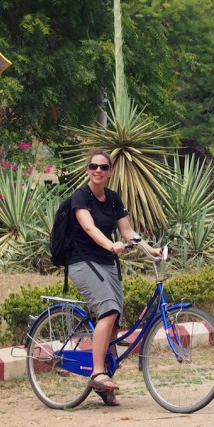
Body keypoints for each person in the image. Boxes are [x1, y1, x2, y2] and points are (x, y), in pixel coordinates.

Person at [69, 148, 159, 407]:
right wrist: (110, 245)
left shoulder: (113, 198)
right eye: (94, 166)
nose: (98, 170)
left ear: (110, 172)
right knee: (108, 311)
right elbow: (89, 227)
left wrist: (150, 249)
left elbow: (128, 231)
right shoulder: (80, 196)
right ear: (88, 169)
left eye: (104, 167)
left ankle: (104, 384)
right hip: (82, 261)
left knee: (115, 320)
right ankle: (98, 372)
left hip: (107, 264)